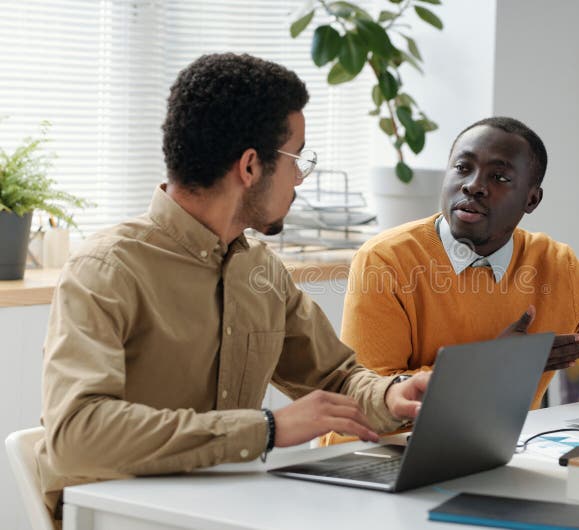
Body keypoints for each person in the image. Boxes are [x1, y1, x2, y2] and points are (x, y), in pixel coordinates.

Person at [34, 53, 429, 524]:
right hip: (119, 518)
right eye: (297, 159)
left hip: (227, 511)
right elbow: (77, 434)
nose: (300, 179)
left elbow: (336, 377)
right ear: (250, 166)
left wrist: (393, 395)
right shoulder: (105, 269)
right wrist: (266, 429)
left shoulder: (261, 271)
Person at [333, 117, 579, 444]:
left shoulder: (555, 266)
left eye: (500, 178)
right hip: (372, 457)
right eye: (462, 168)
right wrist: (493, 367)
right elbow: (369, 400)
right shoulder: (386, 260)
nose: (474, 186)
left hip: (487, 453)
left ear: (531, 199)